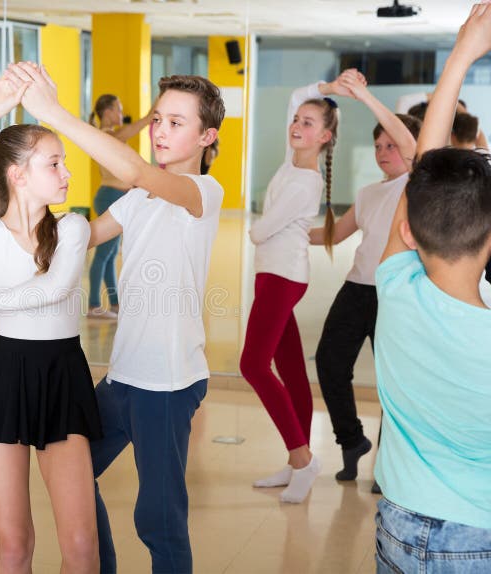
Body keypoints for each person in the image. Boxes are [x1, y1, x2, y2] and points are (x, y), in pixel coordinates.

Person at [5, 62, 223, 573]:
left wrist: (54, 113)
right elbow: (79, 239)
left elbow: (136, 170)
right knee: (76, 479)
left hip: (167, 385)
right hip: (124, 378)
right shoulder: (141, 197)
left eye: (176, 122)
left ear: (206, 136)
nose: (160, 131)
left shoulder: (202, 194)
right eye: (158, 119)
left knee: (159, 521)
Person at [0, 69, 103, 573]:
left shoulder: (72, 227)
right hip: (4, 373)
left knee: (81, 547)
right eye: (54, 163)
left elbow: (55, 289)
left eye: (64, 162)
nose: (67, 173)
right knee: (13, 545)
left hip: (61, 374)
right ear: (18, 174)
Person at [373, 6, 491, 571]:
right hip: (475, 537)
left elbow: (424, 161)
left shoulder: (395, 287)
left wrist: (462, 54)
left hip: (397, 524)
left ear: (406, 232)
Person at [240, 70, 359, 504]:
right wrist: (328, 90)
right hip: (276, 275)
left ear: (324, 137)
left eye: (308, 123)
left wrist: (260, 228)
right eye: (297, 119)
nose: (296, 125)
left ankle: (302, 457)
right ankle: (298, 463)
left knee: (253, 366)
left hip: (282, 277)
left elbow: (259, 232)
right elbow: (296, 96)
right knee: (290, 370)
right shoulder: (291, 163)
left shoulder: (305, 181)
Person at [309, 80, 418, 485]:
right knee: (329, 363)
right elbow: (335, 234)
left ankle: (388, 465)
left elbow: (410, 146)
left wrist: (366, 97)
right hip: (356, 290)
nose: (383, 152)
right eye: (378, 146)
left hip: (396, 294)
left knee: (394, 383)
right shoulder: (370, 192)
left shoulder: (417, 184)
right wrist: (284, 230)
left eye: (391, 145)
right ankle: (352, 440)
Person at [86, 95, 151, 320]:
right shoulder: (105, 135)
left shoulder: (110, 135)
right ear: (107, 112)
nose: (122, 114)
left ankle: (115, 304)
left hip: (115, 196)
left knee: (111, 254)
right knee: (103, 255)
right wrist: (149, 118)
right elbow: (124, 134)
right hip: (110, 197)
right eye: (119, 109)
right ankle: (94, 305)